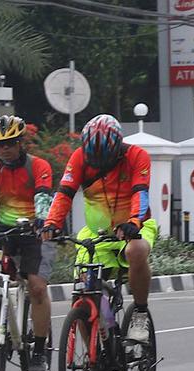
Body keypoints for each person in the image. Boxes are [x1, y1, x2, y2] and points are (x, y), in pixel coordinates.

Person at [42, 114, 156, 353]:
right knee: (82, 294)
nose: (98, 164)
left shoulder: (137, 156)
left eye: (104, 159)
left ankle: (140, 314)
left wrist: (134, 221)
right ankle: (93, 359)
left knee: (136, 251)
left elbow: (140, 192)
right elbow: (64, 193)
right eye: (94, 159)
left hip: (135, 227)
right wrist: (51, 223)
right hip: (96, 233)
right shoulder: (80, 157)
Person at [0, 114, 55, 371]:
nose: (5, 148)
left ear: (20, 142)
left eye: (11, 142)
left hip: (34, 232)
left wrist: (39, 220)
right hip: (2, 232)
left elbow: (43, 196)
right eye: (0, 144)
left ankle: (39, 349)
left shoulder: (38, 166)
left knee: (37, 287)